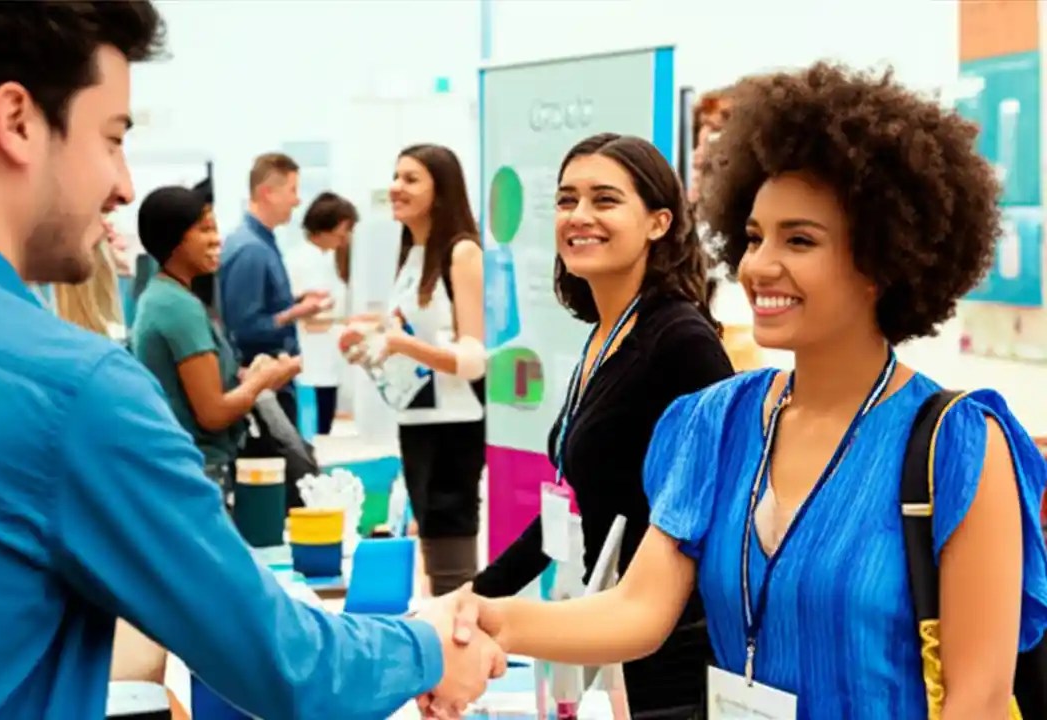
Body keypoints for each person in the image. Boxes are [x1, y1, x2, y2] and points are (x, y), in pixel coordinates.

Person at [0, 3, 505, 719]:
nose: (123, 185)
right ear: (17, 121)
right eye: (112, 137)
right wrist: (429, 645)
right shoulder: (69, 392)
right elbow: (288, 666)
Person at [448, 62, 1047, 719]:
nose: (760, 265)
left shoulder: (958, 448)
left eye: (800, 240)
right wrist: (479, 618)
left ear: (884, 258)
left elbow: (979, 701)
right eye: (756, 237)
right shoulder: (714, 423)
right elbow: (638, 609)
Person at [470, 133, 734, 717]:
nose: (579, 216)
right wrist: (476, 595)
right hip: (601, 639)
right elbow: (575, 505)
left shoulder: (681, 343)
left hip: (667, 662)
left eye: (605, 200)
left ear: (659, 222)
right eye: (567, 200)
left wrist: (484, 609)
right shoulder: (607, 335)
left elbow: (715, 515)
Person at [340, 144, 486, 597]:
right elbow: (417, 328)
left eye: (410, 179)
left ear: (440, 191)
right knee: (430, 539)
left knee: (449, 548)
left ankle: (462, 647)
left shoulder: (461, 253)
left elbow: (473, 358)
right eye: (396, 176)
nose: (396, 188)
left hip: (454, 426)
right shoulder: (412, 254)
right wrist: (371, 336)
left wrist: (400, 343)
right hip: (418, 420)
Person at [131, 180, 299, 490]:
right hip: (198, 470)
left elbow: (200, 386)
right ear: (175, 238)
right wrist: (263, 380)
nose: (216, 240)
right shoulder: (177, 307)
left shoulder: (163, 297)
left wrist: (256, 375)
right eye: (205, 230)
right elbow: (213, 412)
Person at [219, 152, 326, 426]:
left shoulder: (262, 242)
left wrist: (294, 302)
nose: (297, 200)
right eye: (292, 190)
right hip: (262, 387)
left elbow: (262, 304)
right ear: (267, 193)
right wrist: (296, 312)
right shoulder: (250, 249)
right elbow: (244, 326)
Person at [292, 190, 359, 435]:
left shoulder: (327, 258)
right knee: (314, 430)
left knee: (324, 425)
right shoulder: (300, 260)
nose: (346, 236)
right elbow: (306, 314)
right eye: (345, 228)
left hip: (327, 361)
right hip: (310, 363)